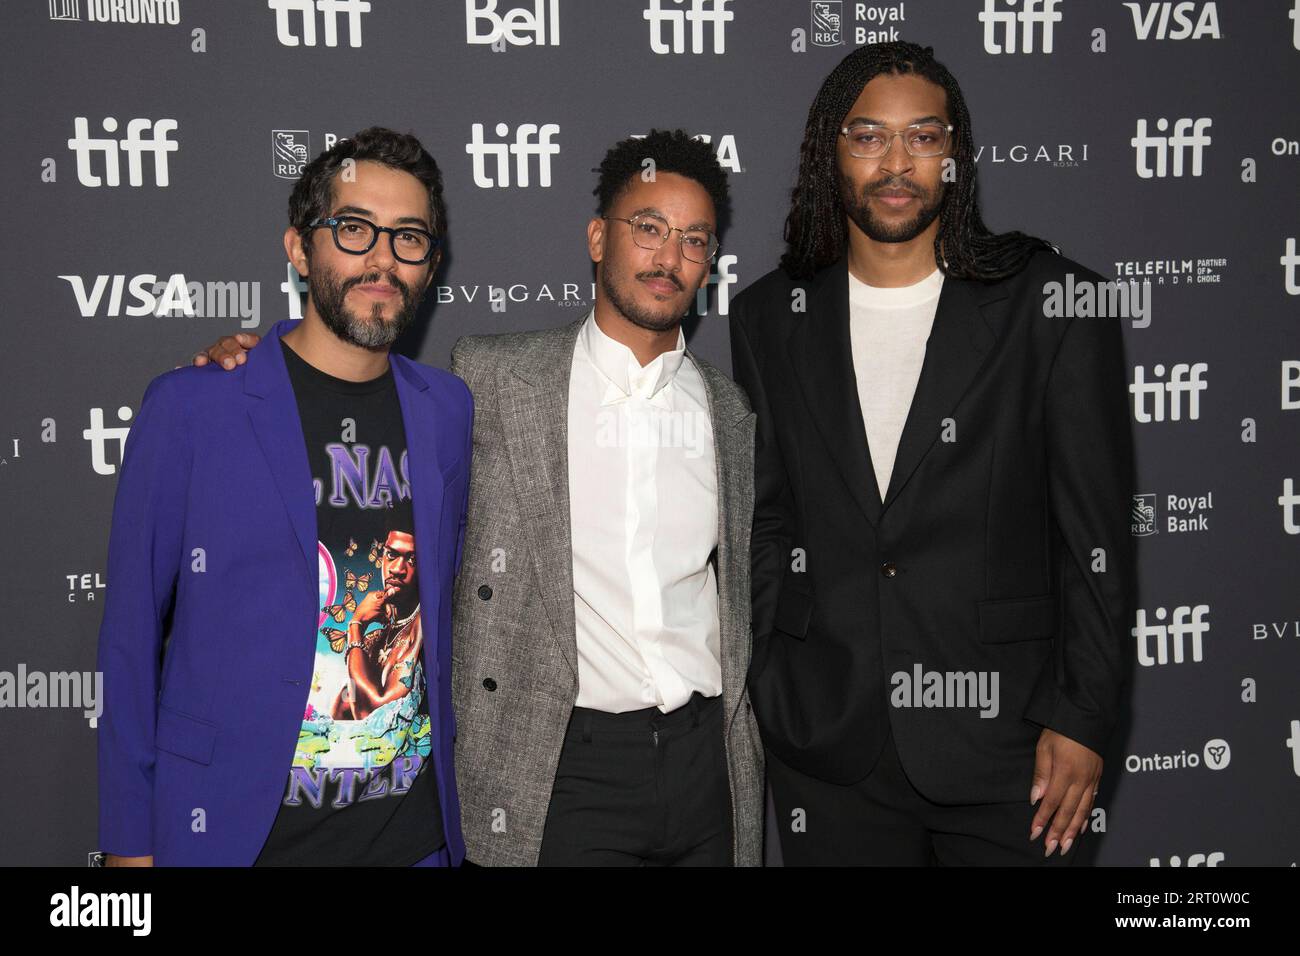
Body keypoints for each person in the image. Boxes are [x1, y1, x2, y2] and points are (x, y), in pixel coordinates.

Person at [199, 129, 764, 867]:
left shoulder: (728, 413)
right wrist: (251, 357)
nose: (668, 257)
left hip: (706, 766)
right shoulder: (490, 381)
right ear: (599, 238)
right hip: (564, 766)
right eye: (648, 229)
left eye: (694, 240)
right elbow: (346, 378)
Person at [730, 42, 1135, 865]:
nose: (897, 163)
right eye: (869, 136)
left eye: (924, 137)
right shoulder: (771, 315)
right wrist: (776, 679)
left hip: (1013, 747)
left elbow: (1095, 537)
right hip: (829, 746)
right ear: (829, 154)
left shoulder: (1052, 303)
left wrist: (1084, 717)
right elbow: (768, 517)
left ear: (955, 156)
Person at [98, 127, 471, 866]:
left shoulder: (448, 410)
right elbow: (130, 638)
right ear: (300, 249)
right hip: (237, 838)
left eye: (409, 239)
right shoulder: (194, 408)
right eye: (354, 229)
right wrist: (128, 847)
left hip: (412, 840)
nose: (382, 260)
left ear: (430, 267)